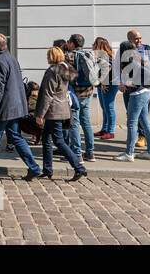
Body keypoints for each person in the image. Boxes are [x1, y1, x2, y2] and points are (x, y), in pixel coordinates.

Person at [0, 33, 42, 180]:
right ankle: (34, 167)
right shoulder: (11, 58)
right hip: (14, 107)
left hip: (3, 109)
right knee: (16, 137)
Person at [34, 47, 87, 181]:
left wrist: (40, 114)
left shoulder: (53, 71)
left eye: (48, 55)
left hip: (53, 111)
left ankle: (79, 167)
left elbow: (48, 94)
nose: (47, 57)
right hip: (61, 108)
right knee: (46, 139)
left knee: (58, 141)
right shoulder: (64, 69)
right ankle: (47, 169)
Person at [118, 30, 150, 162]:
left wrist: (129, 84)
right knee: (145, 123)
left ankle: (129, 153)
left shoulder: (132, 60)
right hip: (145, 93)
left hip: (138, 94)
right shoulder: (137, 58)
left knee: (132, 124)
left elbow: (147, 76)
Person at [61, 34, 97, 162]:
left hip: (74, 95)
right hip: (87, 93)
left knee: (74, 124)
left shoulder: (68, 56)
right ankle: (90, 152)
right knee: (86, 123)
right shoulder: (89, 55)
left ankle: (76, 154)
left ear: (71, 43)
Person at [92, 37, 117, 140]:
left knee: (109, 107)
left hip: (109, 85)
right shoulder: (104, 57)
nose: (93, 46)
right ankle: (105, 128)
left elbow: (110, 71)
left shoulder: (108, 57)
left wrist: (103, 83)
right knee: (105, 108)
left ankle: (110, 131)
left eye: (94, 44)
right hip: (103, 85)